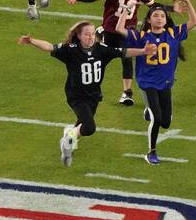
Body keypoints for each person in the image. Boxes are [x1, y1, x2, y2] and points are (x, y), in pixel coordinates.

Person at [18, 22, 155, 167]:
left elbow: (123, 52)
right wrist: (31, 41)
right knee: (89, 127)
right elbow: (49, 47)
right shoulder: (71, 50)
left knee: (81, 123)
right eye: (86, 34)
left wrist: (143, 51)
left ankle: (69, 139)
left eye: (92, 34)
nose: (90, 37)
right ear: (79, 35)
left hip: (93, 95)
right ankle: (67, 140)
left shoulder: (101, 49)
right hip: (76, 95)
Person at [63, 0, 159, 107]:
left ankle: (127, 93)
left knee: (126, 59)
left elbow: (154, 6)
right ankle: (94, 90)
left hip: (128, 32)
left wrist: (172, 9)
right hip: (110, 30)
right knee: (101, 61)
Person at [127, 0, 196, 165]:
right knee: (157, 119)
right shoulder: (142, 36)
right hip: (147, 81)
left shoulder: (173, 34)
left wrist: (188, 2)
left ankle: (148, 110)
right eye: (156, 15)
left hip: (165, 82)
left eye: (162, 16)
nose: (159, 18)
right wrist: (127, 10)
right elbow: (119, 29)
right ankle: (151, 152)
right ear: (149, 19)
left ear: (166, 20)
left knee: (166, 122)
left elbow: (194, 21)